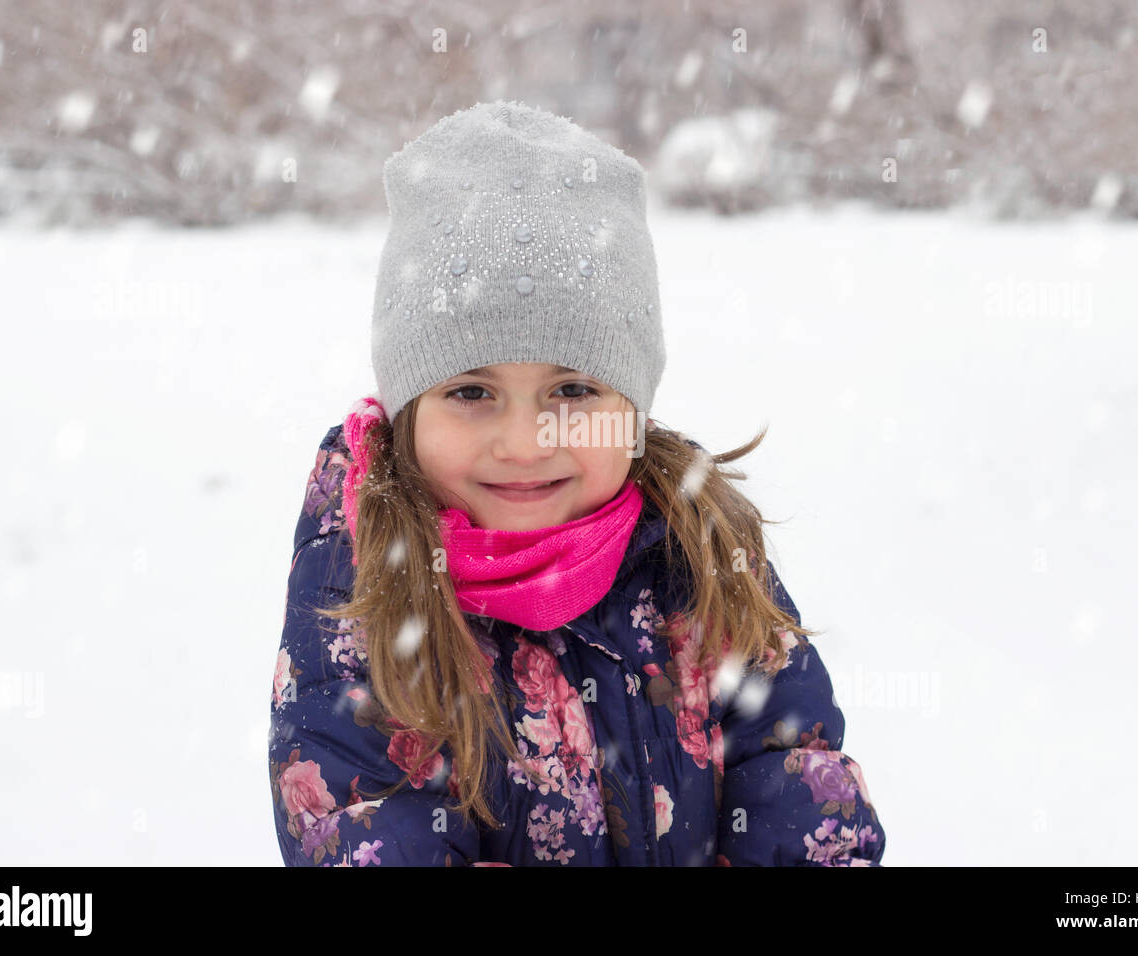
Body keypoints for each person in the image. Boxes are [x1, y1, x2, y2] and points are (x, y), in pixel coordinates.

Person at [268, 100, 886, 866]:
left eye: (572, 392)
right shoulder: (362, 587)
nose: (526, 443)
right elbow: (366, 830)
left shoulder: (697, 549)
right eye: (471, 392)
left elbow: (795, 779)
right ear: (407, 413)